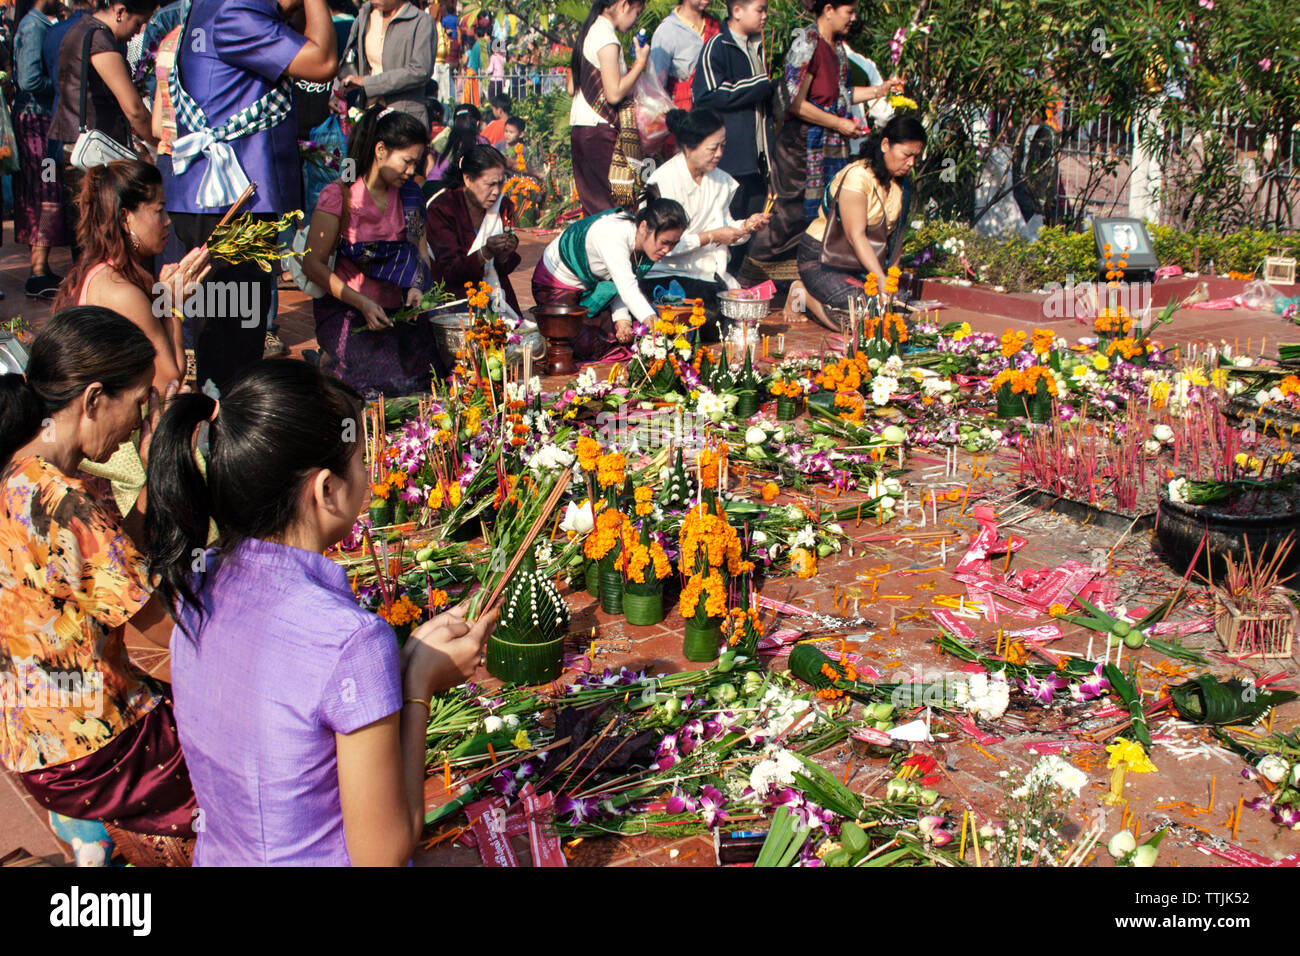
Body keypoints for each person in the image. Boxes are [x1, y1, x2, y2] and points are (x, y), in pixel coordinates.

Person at [144, 360, 496, 865]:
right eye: (360, 462)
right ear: (327, 489)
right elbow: (384, 853)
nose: (369, 477)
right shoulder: (350, 638)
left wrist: (406, 660)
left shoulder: (198, 580)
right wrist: (418, 684)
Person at [0, 306, 198, 866]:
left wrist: (159, 457)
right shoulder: (67, 504)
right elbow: (163, 628)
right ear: (91, 399)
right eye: (137, 404)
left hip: (33, 740)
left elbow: (120, 554)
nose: (138, 423)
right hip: (92, 748)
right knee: (244, 746)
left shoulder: (24, 472)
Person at [166, 0, 338, 394]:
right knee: (231, 339)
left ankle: (224, 427)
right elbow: (322, 60)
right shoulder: (235, 13)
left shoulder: (225, 7)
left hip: (228, 199)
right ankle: (223, 433)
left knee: (237, 330)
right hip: (225, 201)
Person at [53, 160, 211, 514]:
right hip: (117, 447)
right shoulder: (121, 289)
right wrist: (173, 307)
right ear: (126, 218)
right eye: (158, 210)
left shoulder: (99, 271)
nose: (168, 220)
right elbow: (169, 380)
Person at [744, 0, 899, 273]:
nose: (853, 18)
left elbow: (841, 95)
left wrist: (880, 90)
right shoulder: (808, 43)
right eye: (848, 11)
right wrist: (839, 123)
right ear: (829, 9)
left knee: (819, 215)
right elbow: (795, 103)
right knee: (786, 215)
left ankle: (802, 279)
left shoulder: (836, 47)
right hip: (799, 147)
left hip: (828, 146)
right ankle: (753, 278)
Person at [302, 106, 440, 397]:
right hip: (349, 313)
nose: (411, 171)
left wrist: (418, 287)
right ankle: (329, 365)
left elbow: (419, 250)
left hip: (397, 314)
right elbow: (312, 264)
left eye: (416, 164)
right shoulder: (339, 195)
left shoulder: (410, 196)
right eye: (406, 161)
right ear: (380, 150)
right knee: (371, 389)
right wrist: (362, 303)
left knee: (422, 385)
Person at [792, 114, 925, 329]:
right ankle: (804, 295)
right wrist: (880, 280)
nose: (911, 163)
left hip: (861, 265)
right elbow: (856, 236)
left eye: (916, 157)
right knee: (863, 317)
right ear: (885, 145)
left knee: (899, 311)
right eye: (906, 155)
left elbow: (897, 237)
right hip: (823, 259)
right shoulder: (858, 177)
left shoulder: (902, 184)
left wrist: (890, 280)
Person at [641, 109, 769, 330]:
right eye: (712, 148)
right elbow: (660, 244)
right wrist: (710, 237)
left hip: (706, 272)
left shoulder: (720, 180)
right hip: (667, 272)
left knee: (731, 316)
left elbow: (724, 226)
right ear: (689, 148)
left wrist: (745, 226)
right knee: (707, 319)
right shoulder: (664, 180)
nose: (719, 154)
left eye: (722, 146)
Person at [532, 197, 688, 360]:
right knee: (585, 345)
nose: (667, 250)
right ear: (643, 227)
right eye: (664, 242)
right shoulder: (613, 235)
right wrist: (656, 324)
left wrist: (622, 320)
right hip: (554, 284)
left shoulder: (643, 245)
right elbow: (626, 287)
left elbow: (617, 284)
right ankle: (545, 331)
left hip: (594, 287)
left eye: (673, 244)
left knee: (625, 337)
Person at [48, 0, 160, 213]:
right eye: (138, 23)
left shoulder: (80, 30)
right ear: (120, 12)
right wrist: (159, 144)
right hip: (95, 151)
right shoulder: (99, 39)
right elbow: (134, 109)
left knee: (88, 231)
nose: (138, 32)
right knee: (104, 230)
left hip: (75, 144)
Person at [693, 0, 771, 270]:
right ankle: (719, 287)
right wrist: (760, 84)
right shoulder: (717, 46)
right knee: (726, 228)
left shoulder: (765, 46)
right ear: (737, 11)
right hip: (731, 162)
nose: (765, 16)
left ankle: (741, 287)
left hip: (760, 162)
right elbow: (706, 95)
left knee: (753, 230)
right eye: (760, 9)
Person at [568, 0, 649, 216]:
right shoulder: (606, 38)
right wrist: (640, 63)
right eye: (637, 12)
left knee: (594, 209)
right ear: (624, 5)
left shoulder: (588, 31)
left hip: (582, 129)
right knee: (617, 208)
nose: (635, 21)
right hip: (601, 131)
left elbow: (570, 87)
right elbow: (614, 93)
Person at [424, 145, 523, 319]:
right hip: (450, 296)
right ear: (468, 179)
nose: (496, 192)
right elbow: (450, 271)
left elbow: (501, 268)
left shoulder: (503, 206)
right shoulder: (442, 208)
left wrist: (504, 254)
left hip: (493, 290)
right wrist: (485, 252)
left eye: (501, 183)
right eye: (490, 184)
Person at [13, 0, 67, 299]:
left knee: (43, 188)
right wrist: (61, 86)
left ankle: (41, 269)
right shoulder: (34, 26)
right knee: (44, 188)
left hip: (36, 117)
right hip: (36, 119)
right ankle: (37, 272)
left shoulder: (34, 24)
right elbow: (28, 79)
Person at [340, 0, 434, 130]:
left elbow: (420, 71)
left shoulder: (421, 21)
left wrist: (367, 83)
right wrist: (339, 93)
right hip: (369, 115)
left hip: (405, 119)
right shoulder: (365, 16)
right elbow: (350, 57)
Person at [649, 0, 719, 113]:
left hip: (714, 112)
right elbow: (657, 86)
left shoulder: (715, 27)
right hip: (682, 114)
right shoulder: (666, 31)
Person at [425, 101, 486, 186]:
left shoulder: (443, 139)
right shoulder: (481, 142)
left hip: (432, 185)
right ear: (477, 123)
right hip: (459, 189)